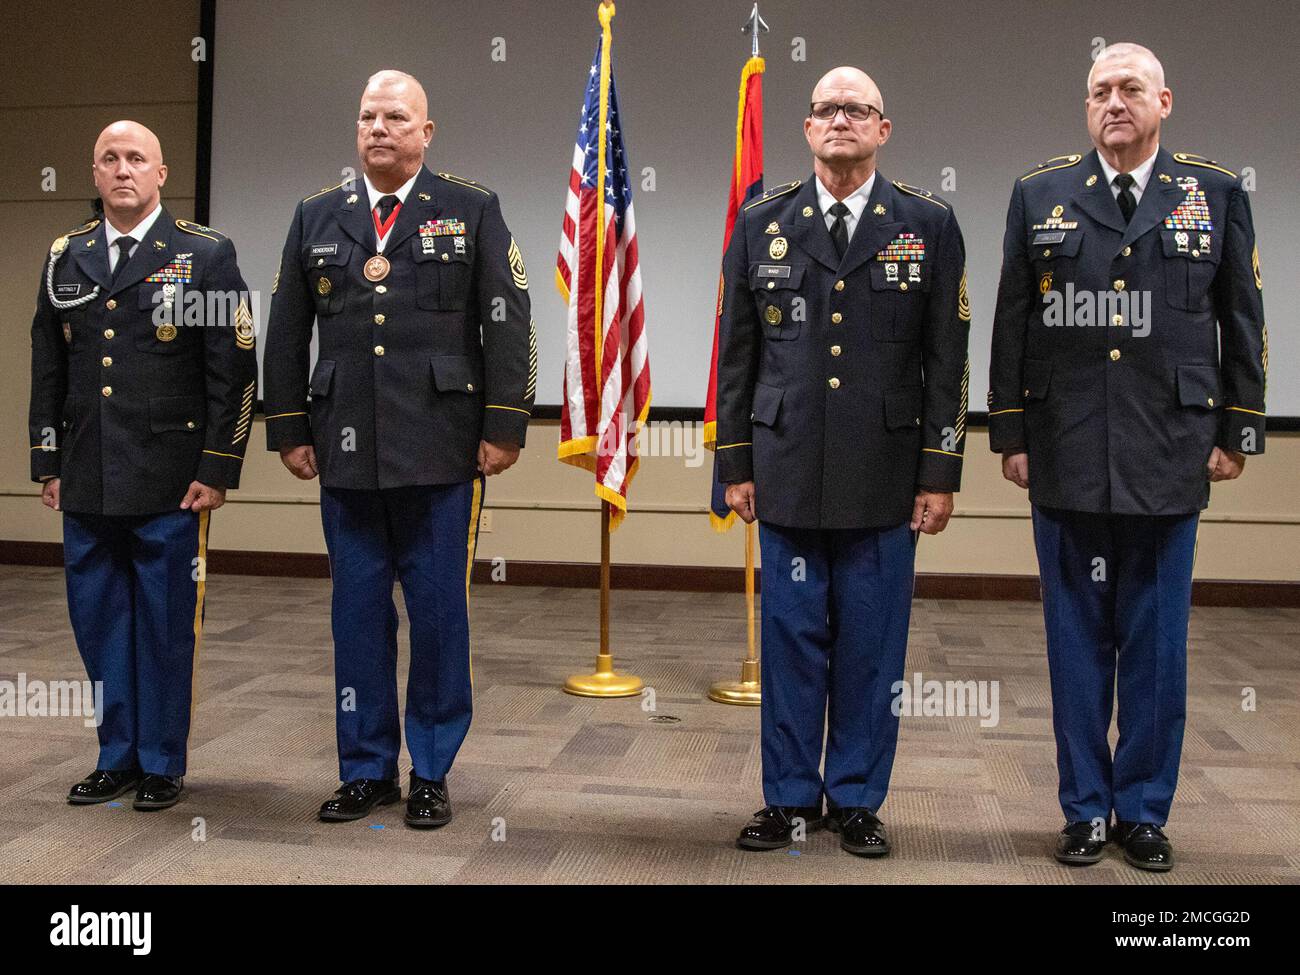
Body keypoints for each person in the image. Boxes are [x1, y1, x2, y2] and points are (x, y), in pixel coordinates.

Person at [988, 43, 1267, 872]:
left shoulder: (1212, 193)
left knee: (1155, 645)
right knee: (1074, 643)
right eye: (1101, 91)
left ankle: (1143, 810)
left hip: (1169, 448)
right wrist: (1010, 433)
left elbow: (1242, 315)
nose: (1115, 101)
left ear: (1164, 102)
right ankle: (1083, 810)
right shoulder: (1040, 193)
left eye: (1131, 89)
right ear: (1087, 107)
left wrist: (1238, 426)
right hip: (1067, 447)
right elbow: (1012, 320)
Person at [262, 70, 535, 829]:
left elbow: (508, 319)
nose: (379, 128)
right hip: (344, 447)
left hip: (440, 448)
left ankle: (433, 768)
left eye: (395, 116)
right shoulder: (316, 214)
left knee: (439, 614)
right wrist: (287, 425)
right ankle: (365, 768)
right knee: (356, 615)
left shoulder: (470, 208)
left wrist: (504, 424)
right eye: (367, 117)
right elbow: (286, 328)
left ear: (426, 131)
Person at [715, 67, 971, 856]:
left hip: (888, 476)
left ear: (883, 128)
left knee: (871, 644)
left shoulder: (927, 222)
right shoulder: (763, 222)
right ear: (806, 126)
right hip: (786, 465)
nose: (840, 121)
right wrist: (735, 464)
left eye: (856, 110)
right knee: (791, 643)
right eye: (826, 109)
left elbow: (947, 357)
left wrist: (940, 471)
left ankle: (857, 798)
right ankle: (790, 798)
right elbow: (737, 355)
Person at [29, 120, 257, 810]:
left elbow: (234, 367)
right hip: (88, 470)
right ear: (94, 174)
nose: (122, 169)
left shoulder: (202, 254)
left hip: (171, 477)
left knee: (162, 625)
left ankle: (162, 759)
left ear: (162, 174)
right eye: (109, 159)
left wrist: (218, 466)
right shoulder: (65, 255)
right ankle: (116, 753)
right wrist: (47, 458)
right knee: (98, 621)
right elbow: (49, 362)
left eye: (136, 159)